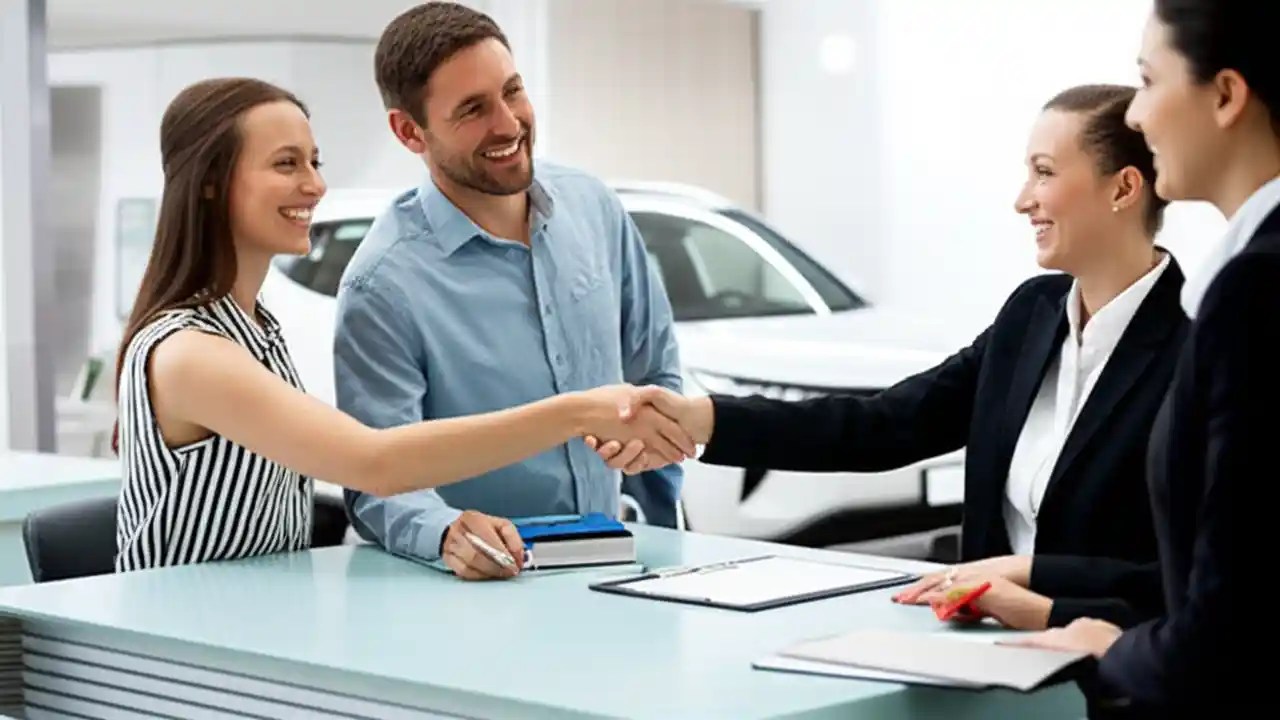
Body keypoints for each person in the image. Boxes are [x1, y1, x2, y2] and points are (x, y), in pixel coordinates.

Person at [592, 83, 1187, 632]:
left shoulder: (1193, 348)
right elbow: (884, 425)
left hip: (1114, 670)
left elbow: (1186, 585)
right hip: (981, 652)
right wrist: (701, 421)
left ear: (1124, 188)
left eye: (1044, 173)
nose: (1021, 200)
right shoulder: (1033, 316)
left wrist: (1044, 604)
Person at [112, 76, 693, 573]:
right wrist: (577, 412)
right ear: (210, 184)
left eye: (315, 162)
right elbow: (375, 462)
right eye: (286, 164)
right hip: (181, 660)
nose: (314, 185)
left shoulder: (255, 327)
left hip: (255, 635)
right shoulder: (189, 352)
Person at [334, 1, 685, 581]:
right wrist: (447, 534)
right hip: (480, 592)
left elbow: (656, 377)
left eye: (513, 91)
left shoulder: (593, 207)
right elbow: (378, 481)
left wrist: (663, 513)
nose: (508, 123)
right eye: (473, 109)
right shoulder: (383, 285)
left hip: (616, 570)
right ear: (408, 131)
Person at [1012, 0, 1280, 712]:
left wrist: (1110, 647)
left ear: (1225, 95)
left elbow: (1234, 623)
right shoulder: (1241, 283)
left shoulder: (1255, 290)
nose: (1134, 116)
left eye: (1148, 81)